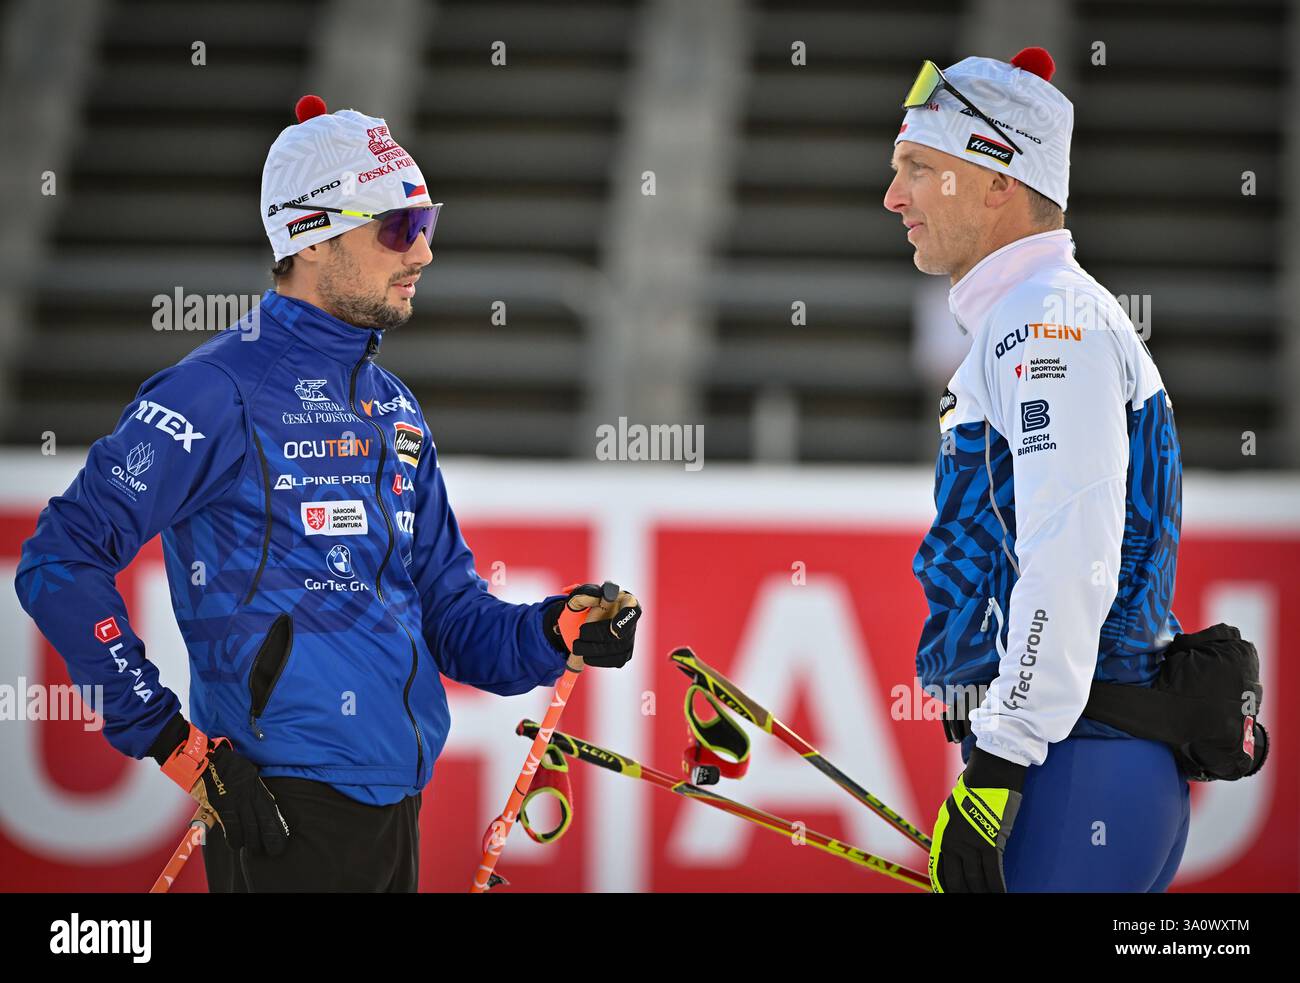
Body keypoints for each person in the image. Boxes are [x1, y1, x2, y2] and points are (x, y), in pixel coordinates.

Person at [14, 95, 641, 892]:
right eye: (397, 228)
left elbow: (448, 611)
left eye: (427, 223)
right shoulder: (216, 392)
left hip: (393, 801)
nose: (422, 252)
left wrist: (554, 630)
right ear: (313, 234)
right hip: (276, 810)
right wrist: (171, 741)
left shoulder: (393, 407)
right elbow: (59, 561)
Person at [884, 49, 1190, 891]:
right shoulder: (1029, 318)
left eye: (918, 168)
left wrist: (1002, 764)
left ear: (995, 181)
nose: (893, 196)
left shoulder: (1047, 324)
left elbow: (1070, 553)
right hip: (1073, 763)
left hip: (1071, 768)